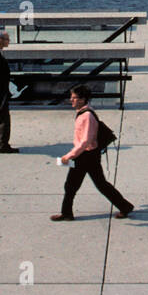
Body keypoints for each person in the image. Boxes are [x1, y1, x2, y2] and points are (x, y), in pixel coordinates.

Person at [50, 85, 134, 222]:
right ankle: (125, 206)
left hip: (86, 156)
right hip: (86, 155)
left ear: (83, 99)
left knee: (75, 185)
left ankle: (67, 213)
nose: (71, 100)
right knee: (91, 184)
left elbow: (86, 141)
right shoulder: (84, 112)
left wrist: (69, 156)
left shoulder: (87, 116)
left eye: (74, 98)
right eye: (71, 97)